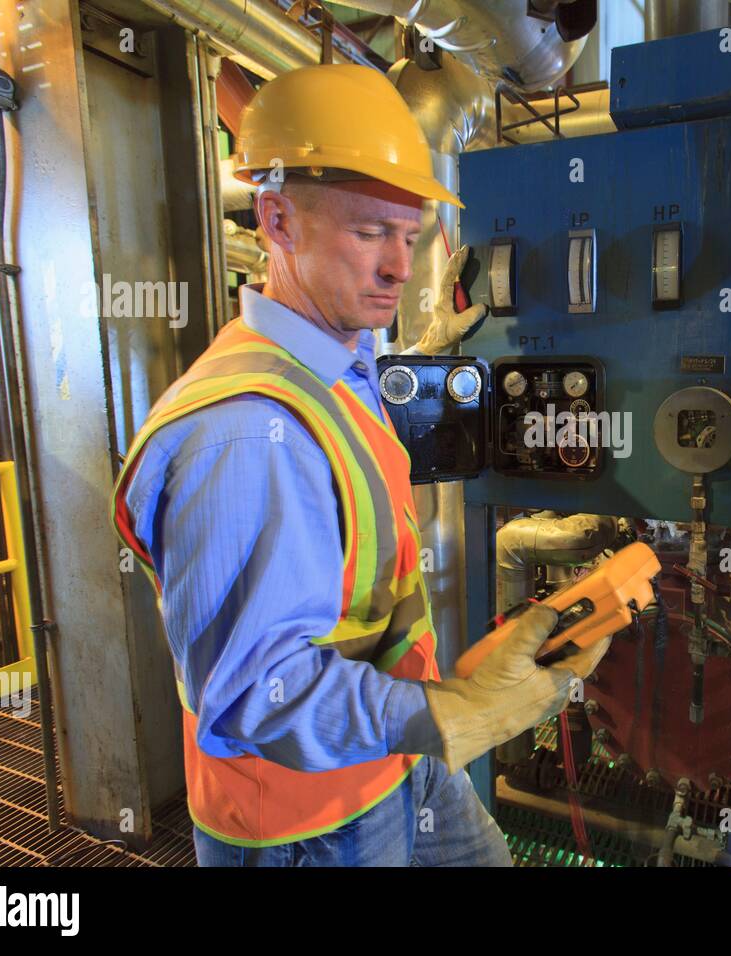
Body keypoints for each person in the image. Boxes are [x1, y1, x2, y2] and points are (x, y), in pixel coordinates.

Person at [112, 64, 609, 866]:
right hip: (304, 822)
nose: (399, 268)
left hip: (389, 759)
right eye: (371, 232)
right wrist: (450, 714)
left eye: (409, 236)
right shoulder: (244, 432)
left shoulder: (340, 374)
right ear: (277, 220)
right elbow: (250, 691)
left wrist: (447, 702)